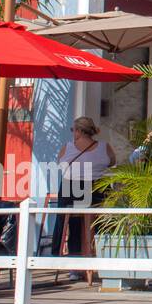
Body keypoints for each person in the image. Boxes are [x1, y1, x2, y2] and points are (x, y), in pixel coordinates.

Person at [50, 117, 117, 275]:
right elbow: (112, 162)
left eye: (74, 130)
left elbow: (59, 163)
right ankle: (101, 257)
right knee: (99, 224)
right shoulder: (104, 147)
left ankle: (73, 264)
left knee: (71, 222)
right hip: (98, 191)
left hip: (71, 189)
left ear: (79, 131)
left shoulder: (68, 147)